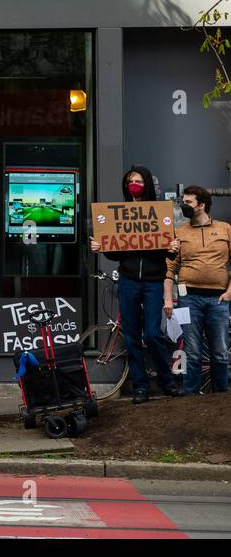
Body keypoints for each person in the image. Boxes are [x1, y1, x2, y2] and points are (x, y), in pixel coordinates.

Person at [89, 166, 178, 403]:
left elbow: (168, 254)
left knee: (151, 334)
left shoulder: (159, 214)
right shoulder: (119, 214)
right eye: (130, 181)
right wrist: (102, 248)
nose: (134, 184)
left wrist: (172, 249)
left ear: (147, 183)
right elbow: (117, 255)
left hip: (153, 282)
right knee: (129, 336)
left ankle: (166, 381)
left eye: (138, 180)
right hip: (128, 281)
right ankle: (140, 386)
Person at [165, 186, 231, 395]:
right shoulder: (180, 232)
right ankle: (191, 400)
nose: (184, 205)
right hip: (188, 300)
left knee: (220, 353)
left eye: (189, 202)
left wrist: (230, 292)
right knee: (192, 352)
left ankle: (220, 399)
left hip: (218, 300)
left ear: (202, 205)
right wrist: (168, 299)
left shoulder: (225, 229)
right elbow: (169, 269)